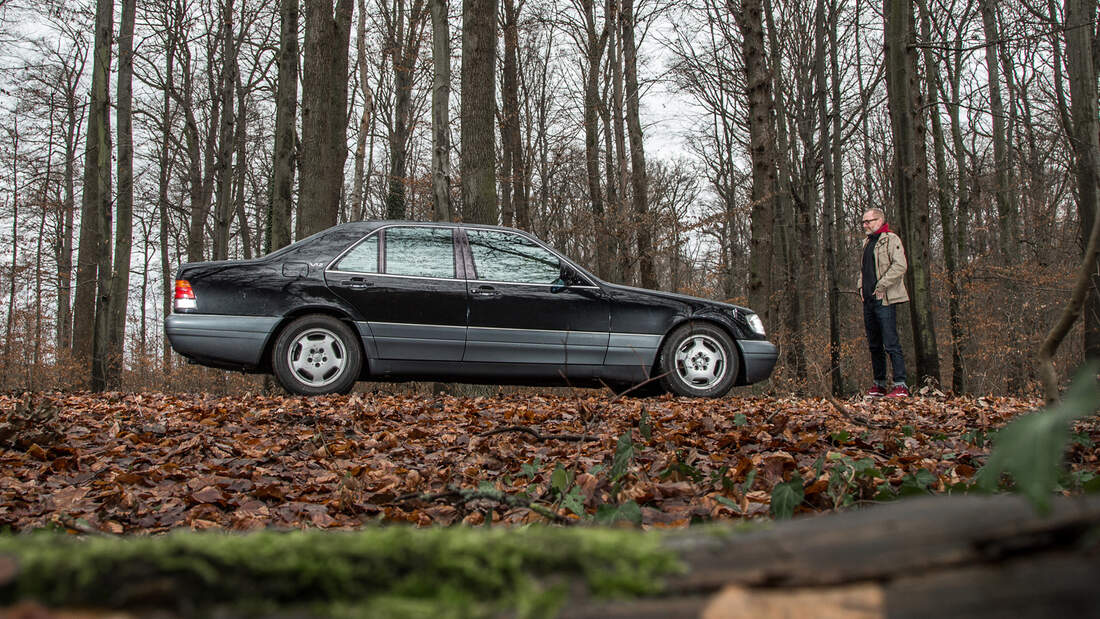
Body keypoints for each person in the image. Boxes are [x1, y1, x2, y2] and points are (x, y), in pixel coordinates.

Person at [858, 208, 909, 398]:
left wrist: (881, 286)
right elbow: (863, 270)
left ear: (879, 220)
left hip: (885, 299)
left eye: (868, 221)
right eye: (863, 222)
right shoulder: (867, 243)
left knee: (891, 343)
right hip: (868, 301)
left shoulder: (891, 239)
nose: (865, 225)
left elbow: (900, 266)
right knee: (874, 344)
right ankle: (879, 384)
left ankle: (900, 384)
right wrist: (861, 288)